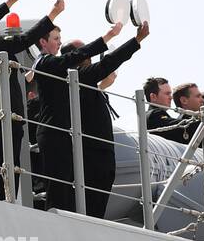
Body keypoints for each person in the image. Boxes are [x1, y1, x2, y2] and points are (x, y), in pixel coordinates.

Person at [33, 20, 149, 218]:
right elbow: (100, 62)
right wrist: (120, 39)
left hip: (86, 143)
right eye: (56, 39)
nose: (59, 43)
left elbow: (104, 65)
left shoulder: (76, 75)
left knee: (90, 197)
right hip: (63, 138)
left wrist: (135, 41)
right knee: (60, 193)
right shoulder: (49, 65)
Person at [0, 0, 66, 199]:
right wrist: (52, 14)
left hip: (4, 116)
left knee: (6, 173)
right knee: (1, 175)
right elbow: (22, 41)